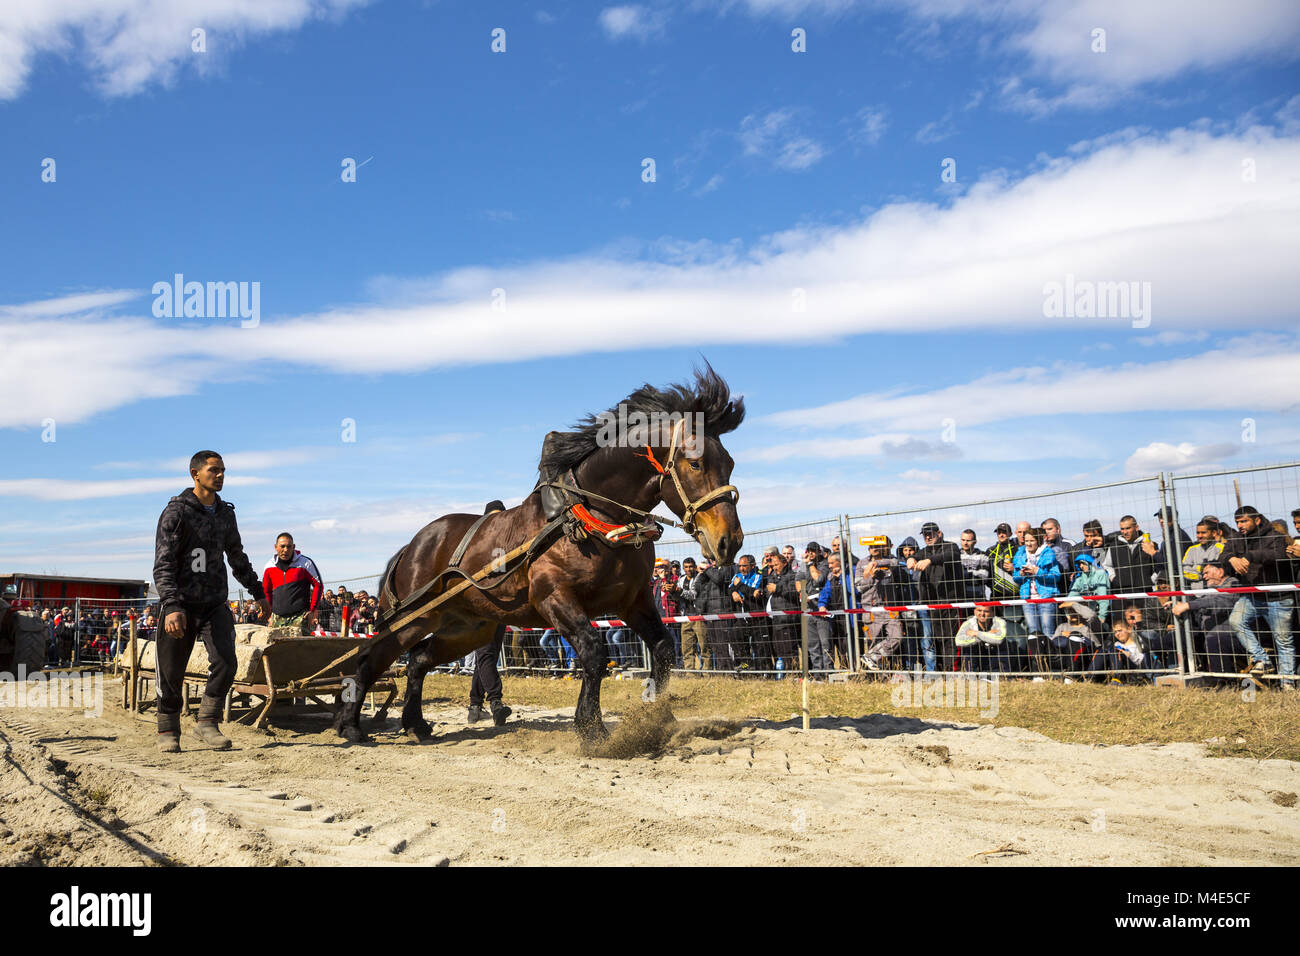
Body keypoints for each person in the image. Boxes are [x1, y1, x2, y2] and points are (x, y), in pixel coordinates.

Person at [152, 451, 269, 752]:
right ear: (195, 474)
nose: (220, 476)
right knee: (171, 670)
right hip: (180, 604)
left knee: (227, 662)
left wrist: (258, 592)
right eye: (213, 470)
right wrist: (172, 605)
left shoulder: (226, 514)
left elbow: (237, 558)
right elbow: (163, 564)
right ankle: (167, 728)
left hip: (215, 602)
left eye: (223, 471)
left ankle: (207, 722)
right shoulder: (176, 512)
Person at [1223, 505, 1294, 681]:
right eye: (1237, 522)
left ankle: (1288, 682)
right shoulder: (1237, 538)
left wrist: (1251, 556)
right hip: (1253, 597)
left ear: (1257, 520)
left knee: (1284, 642)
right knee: (1236, 621)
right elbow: (1223, 554)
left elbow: (1278, 555)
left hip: (1279, 598)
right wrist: (1231, 558)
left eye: (1244, 521)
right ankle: (1262, 660)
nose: (1240, 525)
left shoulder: (1274, 536)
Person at [468, 500, 512, 725]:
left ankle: (475, 705)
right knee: (485, 654)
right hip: (481, 608)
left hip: (499, 608)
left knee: (489, 656)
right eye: (493, 517)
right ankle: (496, 702)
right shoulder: (480, 543)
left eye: (500, 516)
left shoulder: (503, 545)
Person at [856, 537, 912, 671]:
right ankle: (876, 677)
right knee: (874, 642)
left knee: (896, 637)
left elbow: (894, 562)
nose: (874, 549)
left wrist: (877, 564)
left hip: (889, 608)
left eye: (877, 546)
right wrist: (870, 577)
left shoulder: (891, 560)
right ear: (868, 548)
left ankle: (872, 657)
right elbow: (858, 587)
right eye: (871, 546)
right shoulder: (862, 563)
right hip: (871, 609)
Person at [1012, 527, 1063, 658]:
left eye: (1032, 541)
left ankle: (1053, 664)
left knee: (1047, 632)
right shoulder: (1020, 556)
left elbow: (1056, 576)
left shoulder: (1048, 554)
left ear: (1039, 541)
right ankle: (1039, 666)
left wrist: (1037, 572)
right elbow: (1016, 578)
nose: (1028, 544)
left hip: (1046, 598)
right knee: (1033, 633)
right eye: (1026, 541)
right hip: (1028, 599)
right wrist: (1022, 574)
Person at [261, 532, 324, 635]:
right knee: (279, 649)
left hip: (300, 617)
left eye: (289, 546)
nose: (285, 550)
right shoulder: (269, 566)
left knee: (301, 649)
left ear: (293, 547)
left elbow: (318, 585)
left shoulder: (305, 563)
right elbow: (266, 591)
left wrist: (312, 611)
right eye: (282, 546)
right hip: (277, 618)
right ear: (276, 547)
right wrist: (269, 613)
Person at [797, 543, 833, 673]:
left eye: (814, 551)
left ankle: (828, 671)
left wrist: (810, 564)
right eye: (809, 551)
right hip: (808, 610)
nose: (811, 554)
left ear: (819, 551)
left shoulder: (824, 564)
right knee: (813, 645)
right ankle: (818, 673)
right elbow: (798, 579)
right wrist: (802, 591)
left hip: (821, 609)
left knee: (825, 644)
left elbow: (818, 579)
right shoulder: (803, 565)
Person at [677, 557, 710, 670]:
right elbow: (677, 597)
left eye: (691, 566)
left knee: (704, 647)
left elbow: (693, 595)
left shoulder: (699, 578)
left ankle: (707, 673)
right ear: (683, 568)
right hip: (685, 616)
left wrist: (678, 591)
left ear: (695, 566)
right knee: (686, 648)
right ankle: (690, 673)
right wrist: (671, 591)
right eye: (686, 567)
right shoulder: (681, 579)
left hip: (699, 616)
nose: (688, 569)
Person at [954, 605, 1007, 673]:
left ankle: (1003, 674)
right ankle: (971, 676)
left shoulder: (1000, 622)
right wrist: (984, 636)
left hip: (994, 654)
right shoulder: (968, 623)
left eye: (986, 611)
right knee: (968, 647)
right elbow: (958, 641)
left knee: (1003, 644)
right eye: (979, 610)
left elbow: (999, 639)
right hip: (977, 655)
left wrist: (976, 633)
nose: (982, 614)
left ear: (992, 613)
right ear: (974, 612)